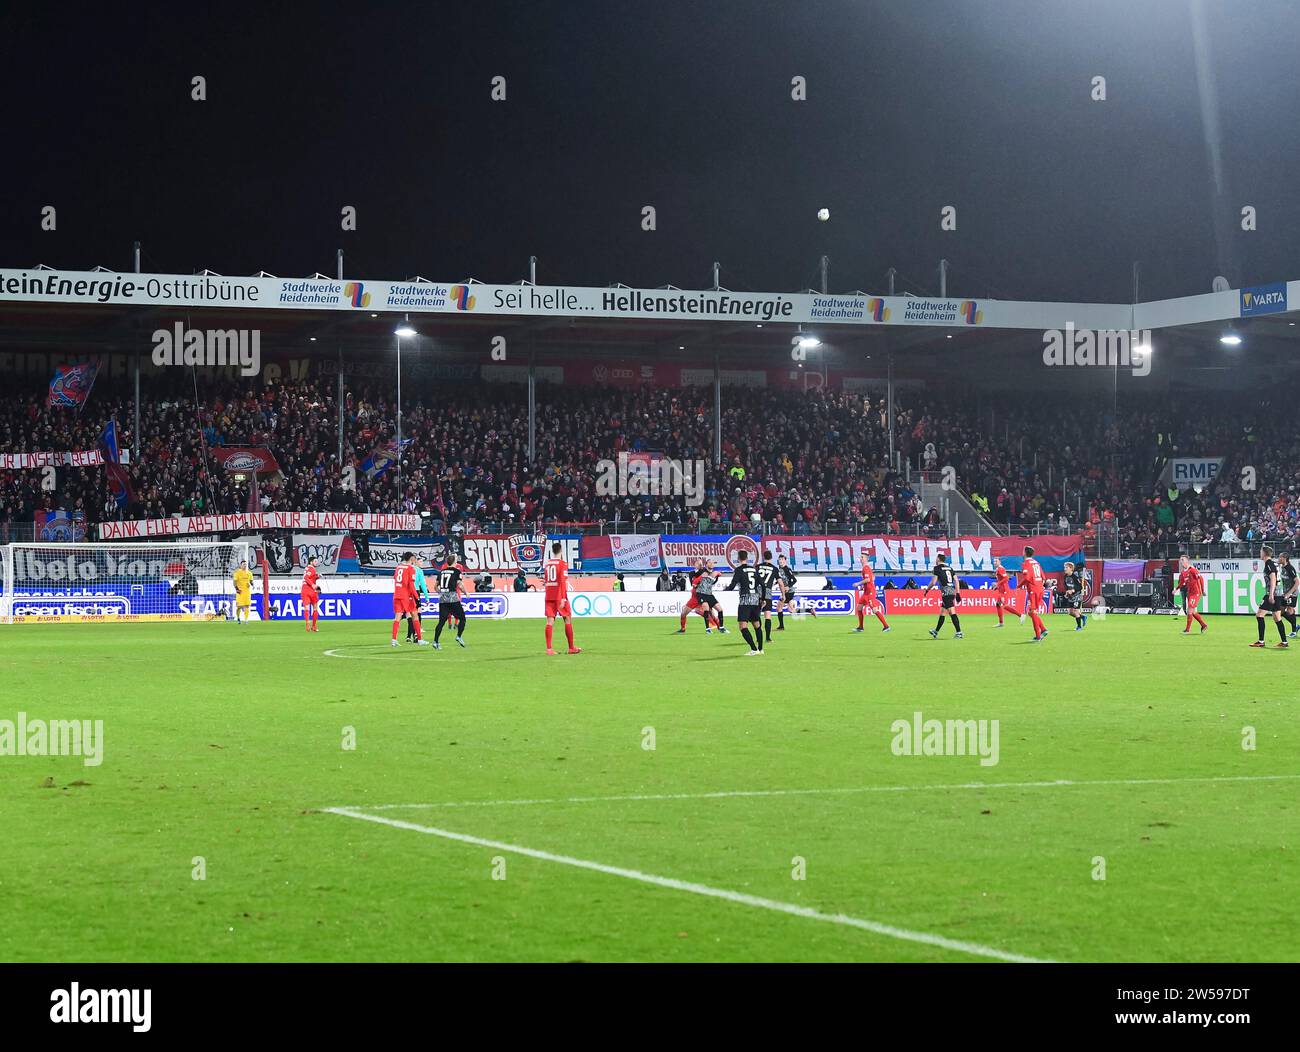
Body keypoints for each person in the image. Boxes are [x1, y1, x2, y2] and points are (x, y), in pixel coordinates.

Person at [543, 540, 581, 655]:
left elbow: (546, 580)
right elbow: (562, 581)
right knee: (567, 618)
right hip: (559, 595)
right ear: (561, 551)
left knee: (550, 621)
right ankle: (571, 648)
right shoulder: (562, 564)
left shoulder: (547, 564)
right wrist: (564, 597)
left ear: (552, 551)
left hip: (549, 594)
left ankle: (549, 649)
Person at [724, 549, 764, 655]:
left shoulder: (738, 570)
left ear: (738, 558)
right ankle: (760, 649)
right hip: (755, 600)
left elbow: (732, 585)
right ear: (746, 558)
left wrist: (726, 589)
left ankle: (754, 649)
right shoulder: (754, 569)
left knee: (743, 627)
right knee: (757, 625)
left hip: (745, 600)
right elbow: (763, 585)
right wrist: (762, 599)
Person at [1251, 545, 1287, 649]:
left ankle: (1261, 641)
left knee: (1259, 615)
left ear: (1264, 553)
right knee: (1277, 617)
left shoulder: (1269, 564)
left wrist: (1271, 594)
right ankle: (1284, 642)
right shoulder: (1275, 563)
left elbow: (1273, 578)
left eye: (1261, 552)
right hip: (1279, 593)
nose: (1260, 553)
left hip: (1273, 593)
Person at [923, 553, 963, 638]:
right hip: (951, 590)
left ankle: (959, 632)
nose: (935, 560)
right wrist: (958, 592)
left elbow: (933, 582)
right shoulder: (950, 568)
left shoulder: (937, 568)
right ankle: (936, 631)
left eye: (936, 558)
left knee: (952, 612)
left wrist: (927, 590)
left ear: (938, 559)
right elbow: (956, 580)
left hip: (945, 591)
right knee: (942, 612)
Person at [433, 555, 468, 650]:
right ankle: (459, 636)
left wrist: (441, 593)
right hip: (453, 597)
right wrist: (466, 593)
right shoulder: (457, 571)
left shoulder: (441, 572)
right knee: (463, 618)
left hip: (443, 598)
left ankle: (435, 641)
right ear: (454, 562)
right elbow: (460, 585)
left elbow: (435, 587)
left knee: (441, 621)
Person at [391, 553, 424, 647]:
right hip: (406, 596)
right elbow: (411, 585)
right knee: (415, 615)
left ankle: (394, 640)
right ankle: (420, 640)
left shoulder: (398, 567)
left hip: (397, 594)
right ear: (411, 558)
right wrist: (417, 598)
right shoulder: (411, 569)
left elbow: (396, 579)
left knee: (397, 617)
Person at [775, 553, 814, 629]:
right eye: (779, 559)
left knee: (779, 608)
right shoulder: (780, 568)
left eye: (782, 559)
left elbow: (794, 580)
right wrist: (775, 583)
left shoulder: (787, 569)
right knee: (791, 610)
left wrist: (788, 587)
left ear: (785, 561)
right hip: (787, 592)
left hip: (788, 592)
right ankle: (809, 610)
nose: (780, 561)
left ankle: (781, 626)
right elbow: (783, 579)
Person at [853, 555, 890, 633]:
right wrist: (866, 586)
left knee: (874, 609)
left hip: (870, 592)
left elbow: (868, 579)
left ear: (866, 559)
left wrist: (858, 583)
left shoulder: (866, 568)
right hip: (866, 591)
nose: (860, 558)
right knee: (859, 608)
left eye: (862, 557)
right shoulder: (866, 568)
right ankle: (860, 627)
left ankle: (886, 626)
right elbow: (873, 578)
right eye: (860, 557)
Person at [1019, 546, 1047, 642]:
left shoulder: (1025, 564)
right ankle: (1043, 629)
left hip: (1033, 590)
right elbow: (1043, 577)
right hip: (1040, 589)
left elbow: (1027, 578)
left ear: (1025, 552)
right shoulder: (1037, 563)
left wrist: (1019, 586)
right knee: (1031, 612)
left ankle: (1038, 636)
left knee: (1033, 612)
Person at [1176, 555, 1208, 635]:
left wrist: (1203, 590)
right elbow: (1181, 582)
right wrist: (1176, 589)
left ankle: (1187, 630)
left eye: (1182, 560)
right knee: (1192, 612)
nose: (1181, 561)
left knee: (1189, 610)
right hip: (1189, 593)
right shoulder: (1183, 572)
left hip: (1196, 593)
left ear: (1187, 561)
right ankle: (1203, 625)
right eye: (1180, 560)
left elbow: (1201, 579)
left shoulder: (1193, 570)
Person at [405, 556, 430, 642]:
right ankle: (416, 635)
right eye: (420, 562)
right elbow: (422, 584)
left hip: (407, 592)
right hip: (415, 592)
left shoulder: (407, 569)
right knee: (417, 613)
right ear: (415, 562)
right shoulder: (419, 571)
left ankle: (408, 636)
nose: (422, 563)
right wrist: (427, 596)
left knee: (408, 614)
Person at [756, 549, 779, 643]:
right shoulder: (774, 568)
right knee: (767, 615)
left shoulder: (757, 567)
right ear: (771, 557)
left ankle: (758, 637)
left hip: (757, 592)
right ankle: (768, 638)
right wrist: (783, 594)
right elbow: (781, 583)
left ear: (763, 557)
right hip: (768, 592)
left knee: (757, 615)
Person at [1059, 561, 1086, 631]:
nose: (1065, 569)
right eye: (1064, 567)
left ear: (1071, 569)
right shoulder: (1065, 577)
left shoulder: (1075, 577)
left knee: (1075, 611)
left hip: (1077, 596)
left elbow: (1080, 587)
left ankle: (1079, 627)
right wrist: (1067, 593)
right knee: (1070, 612)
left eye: (1066, 567)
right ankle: (1082, 617)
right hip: (1071, 596)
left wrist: (1073, 590)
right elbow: (1066, 586)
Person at [991, 556, 1017, 627]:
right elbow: (1001, 580)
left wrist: (997, 584)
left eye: (996, 561)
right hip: (1001, 589)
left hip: (1004, 590)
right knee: (998, 604)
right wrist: (997, 586)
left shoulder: (1001, 569)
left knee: (1005, 606)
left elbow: (1006, 578)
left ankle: (1021, 615)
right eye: (994, 561)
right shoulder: (998, 569)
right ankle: (1001, 623)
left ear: (999, 562)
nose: (995, 563)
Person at [301, 556, 322, 633]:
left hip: (304, 589)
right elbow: (306, 578)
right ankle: (313, 626)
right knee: (315, 608)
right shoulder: (311, 569)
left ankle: (307, 622)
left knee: (306, 608)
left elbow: (309, 577)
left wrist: (317, 577)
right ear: (311, 562)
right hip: (310, 589)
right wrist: (313, 585)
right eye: (315, 561)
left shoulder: (307, 569)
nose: (317, 562)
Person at [232, 559, 253, 625]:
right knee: (239, 606)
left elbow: (251, 582)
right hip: (240, 592)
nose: (245, 565)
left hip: (247, 592)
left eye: (245, 564)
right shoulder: (237, 573)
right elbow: (234, 582)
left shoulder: (249, 573)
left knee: (247, 606)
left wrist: (251, 584)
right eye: (243, 564)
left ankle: (246, 620)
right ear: (240, 565)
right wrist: (236, 589)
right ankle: (238, 618)